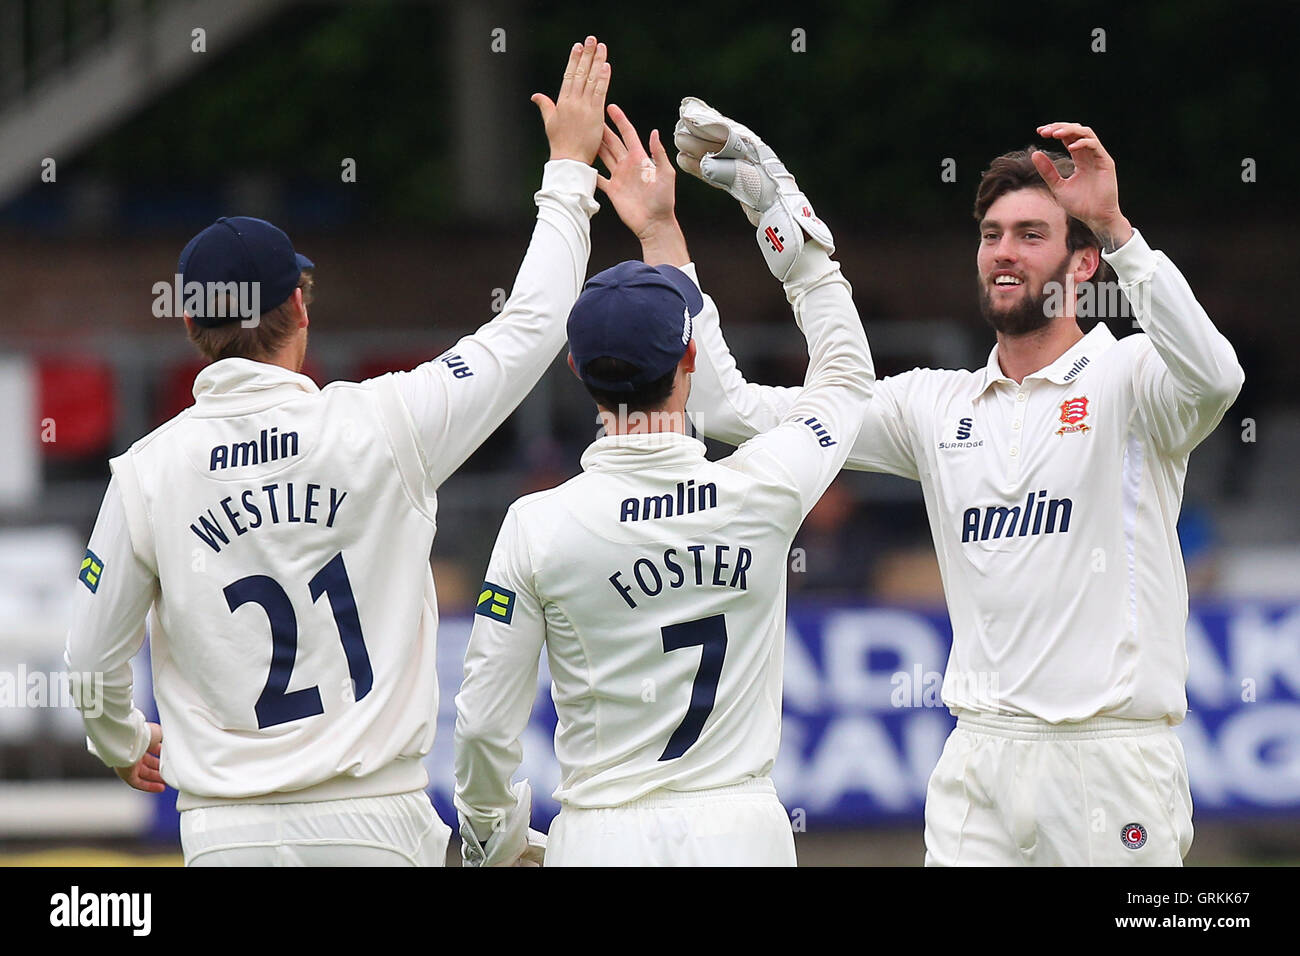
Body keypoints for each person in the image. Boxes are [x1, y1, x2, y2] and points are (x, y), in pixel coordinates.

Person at [63, 36, 612, 866]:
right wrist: (568, 171)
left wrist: (117, 739)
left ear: (189, 326)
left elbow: (87, 661)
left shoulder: (145, 475)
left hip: (224, 836)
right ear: (300, 310)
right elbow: (531, 326)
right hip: (377, 826)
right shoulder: (387, 423)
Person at [677, 103, 1245, 866]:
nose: (1004, 253)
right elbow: (734, 409)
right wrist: (761, 216)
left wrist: (1116, 229)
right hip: (977, 760)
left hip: (1109, 763)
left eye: (1031, 235)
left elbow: (1218, 375)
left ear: (1083, 265)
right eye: (991, 235)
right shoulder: (933, 405)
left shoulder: (1133, 379)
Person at [452, 103, 873, 866]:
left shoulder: (536, 526)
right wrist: (790, 235)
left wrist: (494, 839)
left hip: (599, 837)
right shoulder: (766, 486)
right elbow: (845, 381)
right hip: (744, 834)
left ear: (575, 369)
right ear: (687, 363)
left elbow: (484, 726)